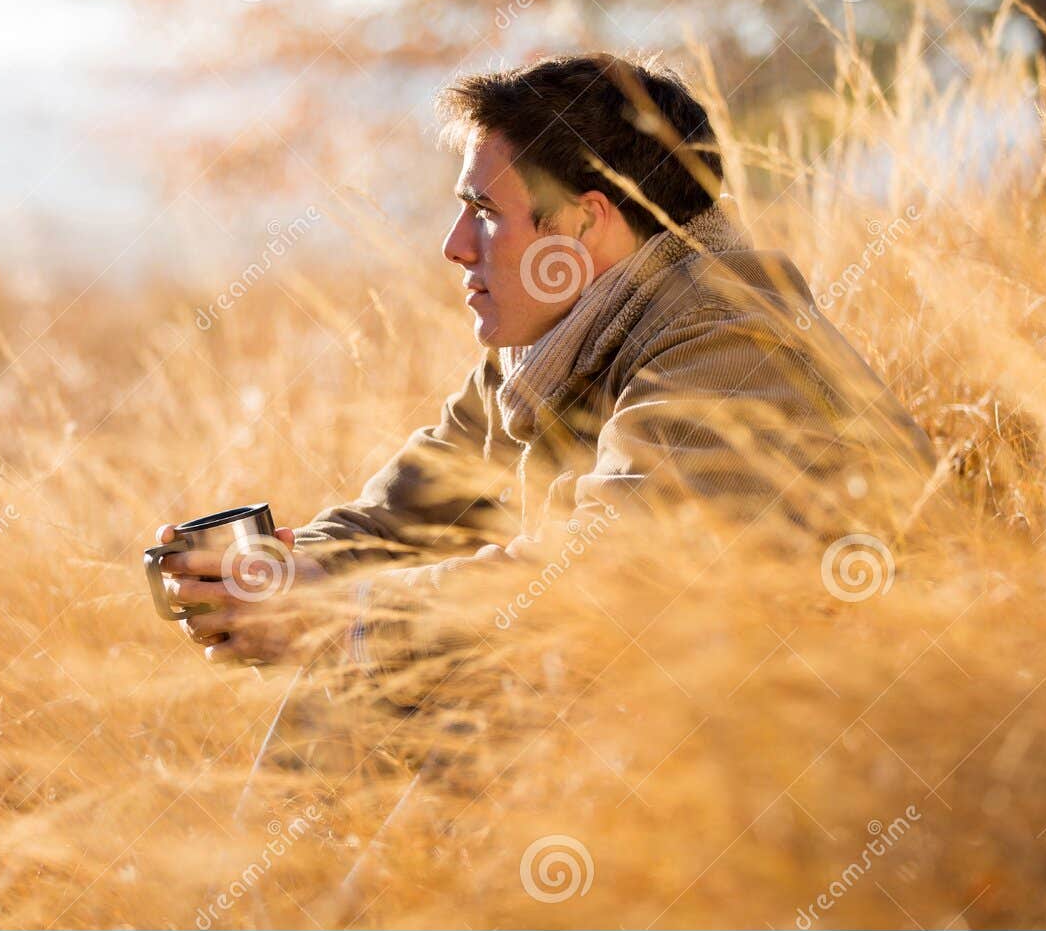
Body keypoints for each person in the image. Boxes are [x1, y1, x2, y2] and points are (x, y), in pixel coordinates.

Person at [154, 52, 935, 691]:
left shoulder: (728, 342)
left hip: (814, 755)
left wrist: (338, 616)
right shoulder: (548, 346)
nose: (456, 245)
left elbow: (600, 584)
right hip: (668, 720)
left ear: (584, 223)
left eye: (486, 212)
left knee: (393, 689)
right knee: (374, 687)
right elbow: (405, 517)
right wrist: (276, 575)